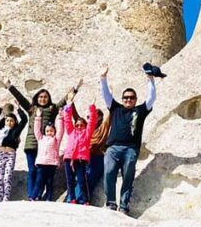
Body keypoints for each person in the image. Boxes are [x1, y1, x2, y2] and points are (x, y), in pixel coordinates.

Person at [4, 78, 79, 199]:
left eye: (45, 97)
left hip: (46, 148)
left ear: (48, 98)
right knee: (32, 170)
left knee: (43, 173)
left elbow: (65, 100)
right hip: (32, 144)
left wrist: (75, 89)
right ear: (36, 98)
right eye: (40, 97)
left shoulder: (52, 109)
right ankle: (31, 195)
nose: (42, 99)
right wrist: (9, 86)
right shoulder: (31, 108)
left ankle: (38, 194)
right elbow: (21, 97)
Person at [100, 64, 157, 215]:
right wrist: (103, 78)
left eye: (131, 98)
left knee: (128, 177)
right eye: (125, 98)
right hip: (113, 148)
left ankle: (124, 206)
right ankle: (111, 202)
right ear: (122, 99)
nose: (128, 100)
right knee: (109, 173)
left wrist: (151, 80)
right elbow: (106, 95)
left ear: (135, 99)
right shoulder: (116, 108)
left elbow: (151, 98)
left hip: (131, 149)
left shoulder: (140, 111)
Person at [70, 104, 109, 205]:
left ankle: (83, 200)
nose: (90, 118)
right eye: (89, 117)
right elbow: (76, 117)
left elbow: (110, 117)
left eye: (94, 116)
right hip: (84, 158)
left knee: (90, 179)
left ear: (100, 118)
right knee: (80, 179)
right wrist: (71, 104)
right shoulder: (86, 128)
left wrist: (111, 103)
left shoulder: (102, 128)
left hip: (97, 158)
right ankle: (72, 199)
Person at [62, 101, 98, 204]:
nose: (78, 127)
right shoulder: (71, 131)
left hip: (80, 159)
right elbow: (67, 119)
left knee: (82, 181)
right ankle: (72, 198)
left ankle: (85, 199)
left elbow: (92, 122)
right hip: (69, 158)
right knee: (70, 180)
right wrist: (68, 106)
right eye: (77, 125)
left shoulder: (87, 133)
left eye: (81, 125)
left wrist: (92, 107)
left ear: (84, 126)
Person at [0, 104, 28, 202]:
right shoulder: (1, 130)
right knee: (0, 178)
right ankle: (0, 198)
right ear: (5, 121)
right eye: (8, 120)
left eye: (12, 121)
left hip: (10, 155)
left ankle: (6, 198)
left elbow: (24, 120)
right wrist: (1, 108)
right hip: (0, 154)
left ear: (15, 122)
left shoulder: (16, 131)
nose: (9, 122)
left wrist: (18, 108)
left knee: (7, 177)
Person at [31, 107, 63, 201]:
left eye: (51, 131)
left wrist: (60, 117)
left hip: (52, 163)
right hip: (41, 163)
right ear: (44, 132)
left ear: (54, 132)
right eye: (47, 131)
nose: (49, 133)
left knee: (49, 182)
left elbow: (60, 131)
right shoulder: (41, 138)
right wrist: (38, 117)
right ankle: (33, 197)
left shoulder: (56, 139)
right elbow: (36, 130)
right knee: (39, 181)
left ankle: (48, 198)